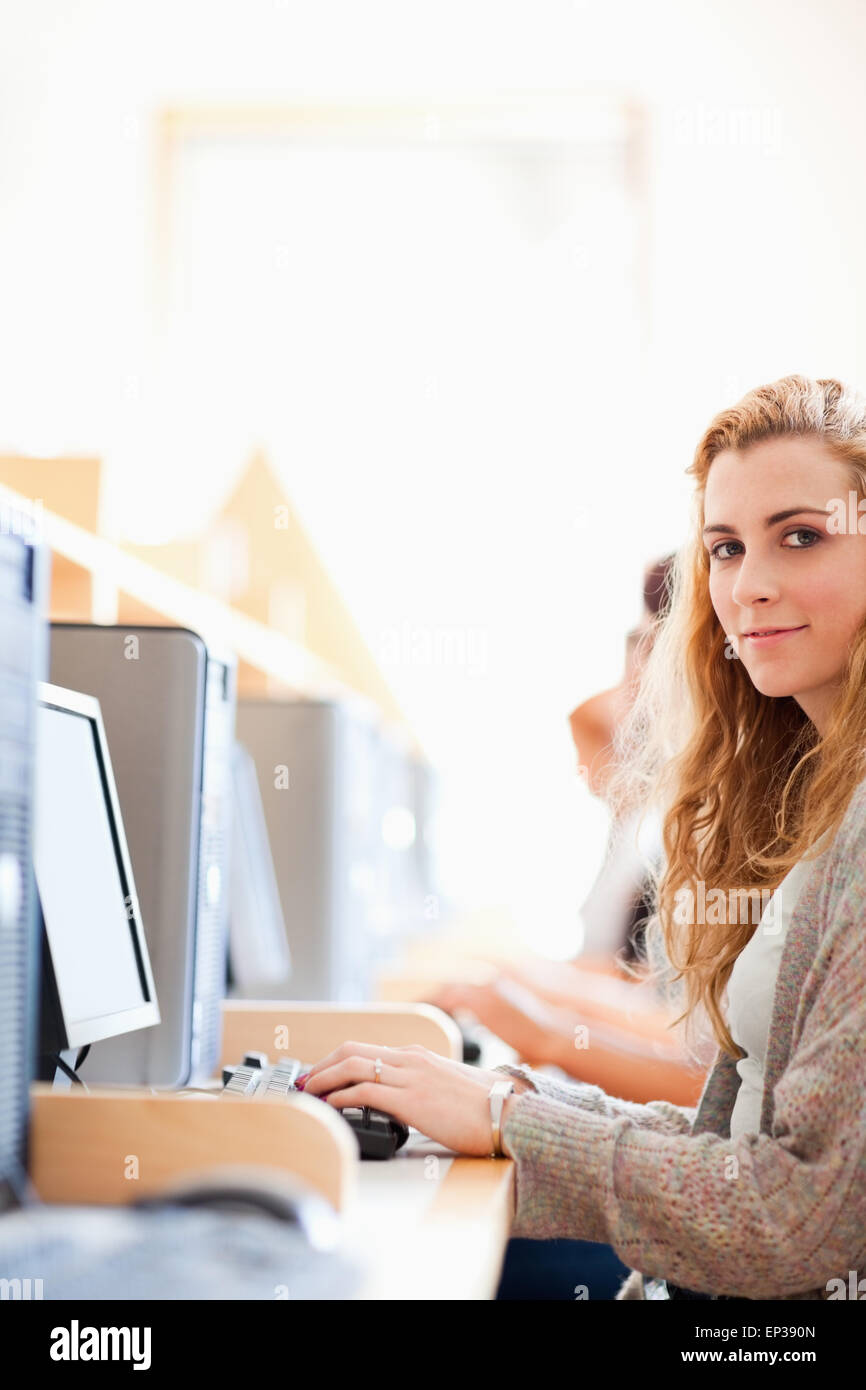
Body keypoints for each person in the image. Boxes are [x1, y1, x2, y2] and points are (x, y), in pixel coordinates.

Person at [297, 375, 866, 1300]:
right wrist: (512, 1101)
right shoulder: (817, 812)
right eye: (725, 548)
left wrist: (503, 1111)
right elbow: (733, 1144)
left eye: (801, 536)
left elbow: (792, 1218)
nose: (749, 585)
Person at [422, 553, 710, 1111]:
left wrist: (548, 1026)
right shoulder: (678, 833)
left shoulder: (719, 837)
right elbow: (661, 1003)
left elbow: (703, 1059)